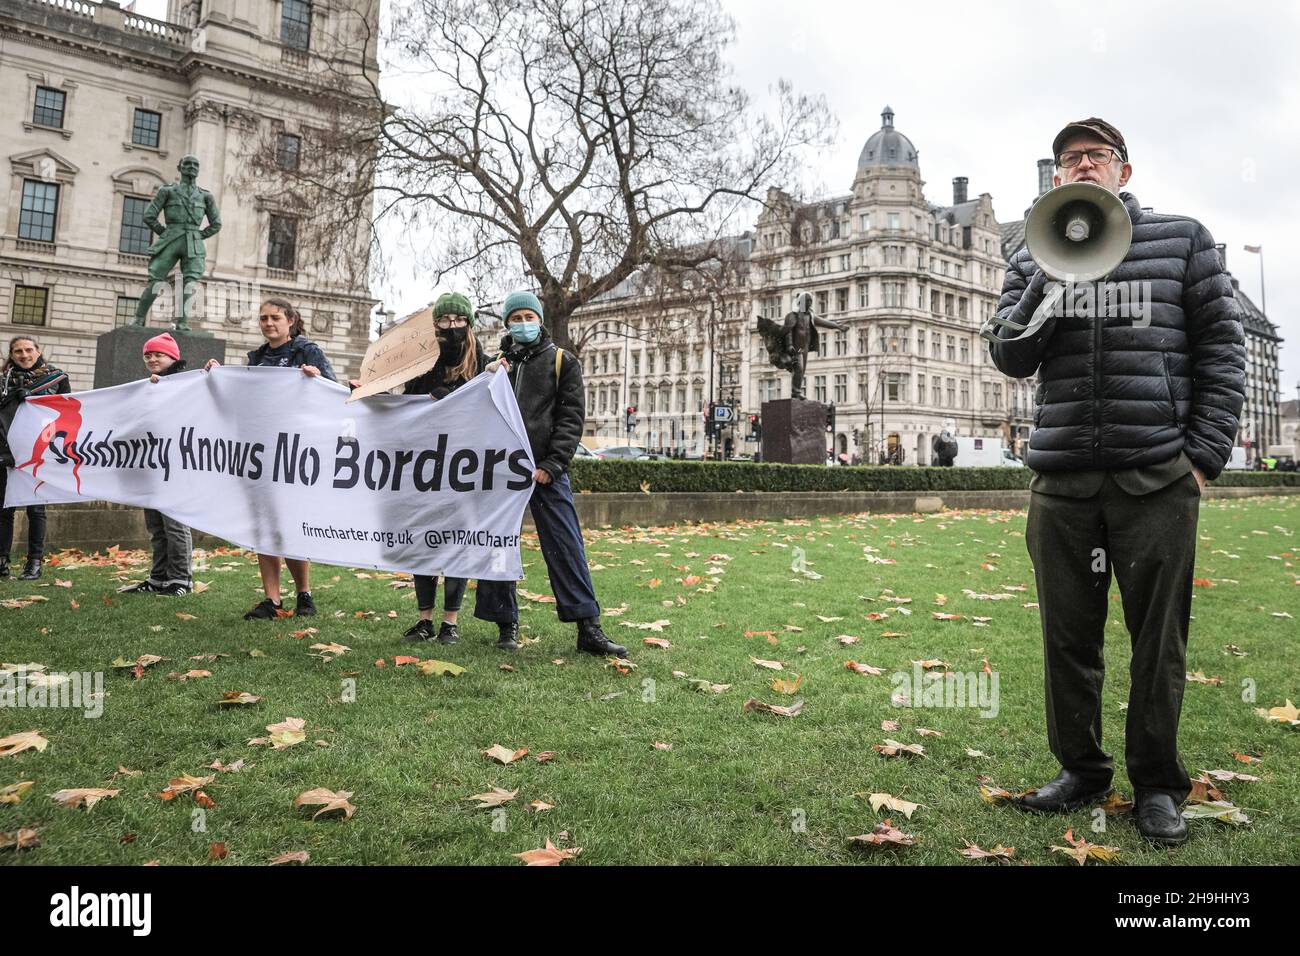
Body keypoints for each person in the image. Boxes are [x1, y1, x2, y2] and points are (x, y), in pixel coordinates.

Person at [986, 117, 1245, 846]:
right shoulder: (1030, 251)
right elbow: (1009, 354)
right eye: (1069, 159)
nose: (1082, 166)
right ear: (1057, 177)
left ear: (1123, 172)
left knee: (1157, 640)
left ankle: (1158, 785)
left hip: (1155, 475)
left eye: (1096, 156)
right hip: (1063, 479)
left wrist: (1203, 458)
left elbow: (1222, 349)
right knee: (1067, 639)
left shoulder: (1182, 239)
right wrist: (1050, 271)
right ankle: (1082, 771)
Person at [473, 291, 627, 657]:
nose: (523, 323)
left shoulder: (562, 362)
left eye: (529, 316)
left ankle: (588, 626)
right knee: (498, 545)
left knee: (566, 545)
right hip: (503, 470)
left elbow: (571, 419)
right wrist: (487, 379)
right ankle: (504, 623)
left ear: (540, 320)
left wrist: (553, 465)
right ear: (508, 323)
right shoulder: (497, 366)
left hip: (545, 470)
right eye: (516, 317)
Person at [204, 298, 337, 619]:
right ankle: (272, 600)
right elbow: (240, 399)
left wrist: (316, 378)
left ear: (290, 320)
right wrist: (218, 376)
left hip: (294, 452)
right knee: (263, 525)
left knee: (289, 524)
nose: (268, 323)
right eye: (263, 318)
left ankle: (304, 594)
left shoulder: (308, 351)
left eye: (275, 317)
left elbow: (334, 392)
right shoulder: (257, 358)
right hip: (259, 451)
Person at [400, 292, 487, 644]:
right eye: (445, 321)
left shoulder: (482, 362)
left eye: (458, 321)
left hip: (463, 466)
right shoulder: (423, 360)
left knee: (456, 542)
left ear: (469, 323)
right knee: (423, 541)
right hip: (425, 463)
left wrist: (452, 394)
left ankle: (450, 621)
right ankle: (425, 619)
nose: (451, 327)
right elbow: (404, 403)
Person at [120, 334, 194, 596]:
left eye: (158, 355)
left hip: (176, 464)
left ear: (173, 358)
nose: (152, 359)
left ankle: (181, 580)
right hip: (151, 463)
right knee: (156, 525)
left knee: (175, 523)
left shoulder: (187, 384)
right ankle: (159, 577)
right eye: (148, 355)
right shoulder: (147, 386)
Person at [0, 336, 70, 580]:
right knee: (4, 508)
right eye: (18, 351)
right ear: (11, 354)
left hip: (39, 452)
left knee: (36, 508)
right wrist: (10, 398)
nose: (24, 354)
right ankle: (2, 561)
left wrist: (36, 400)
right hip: (5, 451)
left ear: (38, 351)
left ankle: (34, 563)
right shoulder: (3, 381)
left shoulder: (56, 378)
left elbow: (67, 413)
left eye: (28, 349)